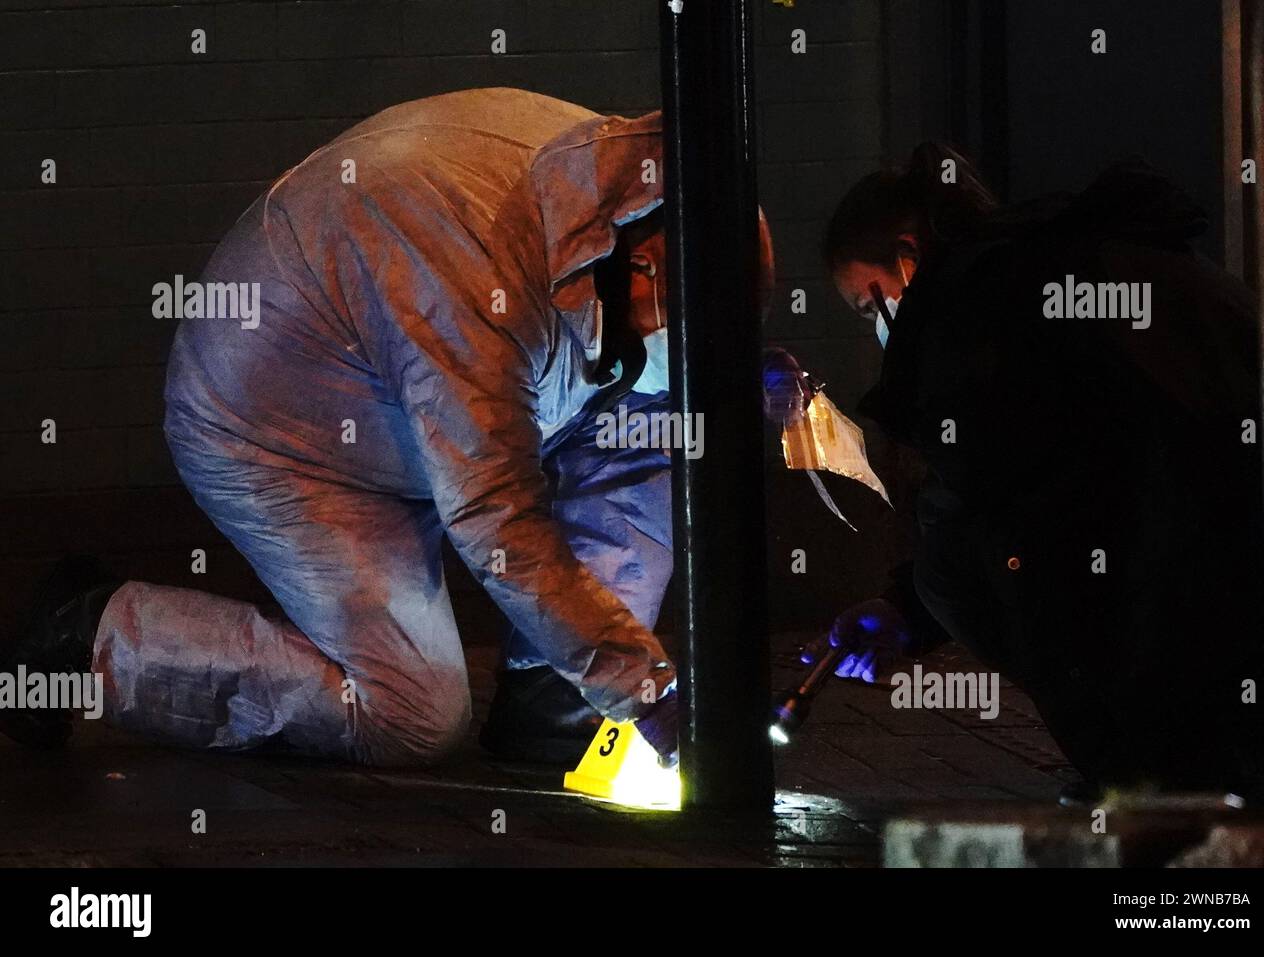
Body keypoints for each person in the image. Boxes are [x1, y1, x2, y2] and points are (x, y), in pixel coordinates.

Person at [1, 88, 772, 769]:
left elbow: (611, 364)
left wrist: (747, 384)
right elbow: (495, 514)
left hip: (404, 398)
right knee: (414, 715)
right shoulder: (476, 272)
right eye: (676, 327)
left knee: (642, 423)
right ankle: (91, 629)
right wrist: (647, 690)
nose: (675, 350)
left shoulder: (620, 186)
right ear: (638, 267)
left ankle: (551, 700)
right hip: (286, 443)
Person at [802, 143, 1264, 799]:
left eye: (867, 305)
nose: (876, 330)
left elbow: (1003, 512)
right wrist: (905, 606)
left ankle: (1156, 780)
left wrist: (931, 595)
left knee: (1012, 575)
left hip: (1211, 535)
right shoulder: (1046, 263)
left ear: (907, 256)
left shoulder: (978, 309)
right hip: (1250, 515)